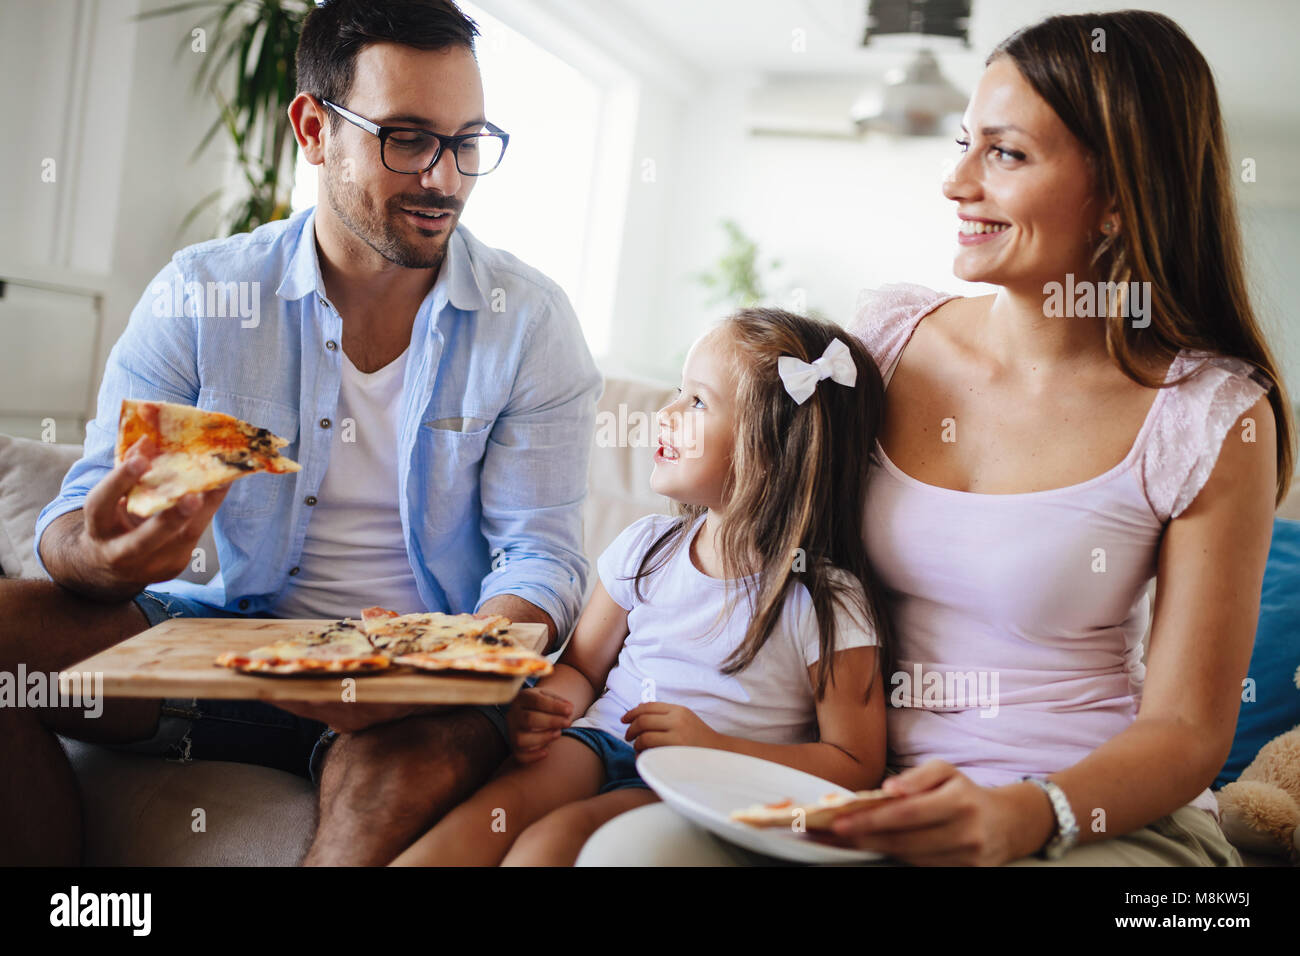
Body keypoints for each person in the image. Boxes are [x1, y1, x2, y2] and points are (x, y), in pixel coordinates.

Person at [576, 10, 1295, 867]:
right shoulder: (886, 337)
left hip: (1095, 816)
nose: (956, 182)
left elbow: (1186, 731)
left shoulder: (1211, 414)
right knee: (633, 857)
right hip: (850, 796)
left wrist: (1027, 815)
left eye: (1006, 153)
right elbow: (760, 503)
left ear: (1117, 194)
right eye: (964, 143)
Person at [0, 0, 602, 866]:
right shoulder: (204, 295)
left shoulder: (530, 322)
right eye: (406, 137)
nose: (445, 178)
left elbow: (541, 555)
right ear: (314, 128)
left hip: (420, 680)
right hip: (219, 645)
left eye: (466, 141)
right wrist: (105, 555)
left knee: (402, 770)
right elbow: (74, 530)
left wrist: (443, 663)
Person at [390, 309, 892, 865]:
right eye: (679, 392)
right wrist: (544, 708)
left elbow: (856, 762)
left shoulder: (826, 600)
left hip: (701, 780)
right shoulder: (648, 548)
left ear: (771, 448)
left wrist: (716, 748)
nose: (667, 412)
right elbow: (582, 669)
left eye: (697, 402)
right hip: (600, 741)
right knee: (486, 819)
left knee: (547, 845)